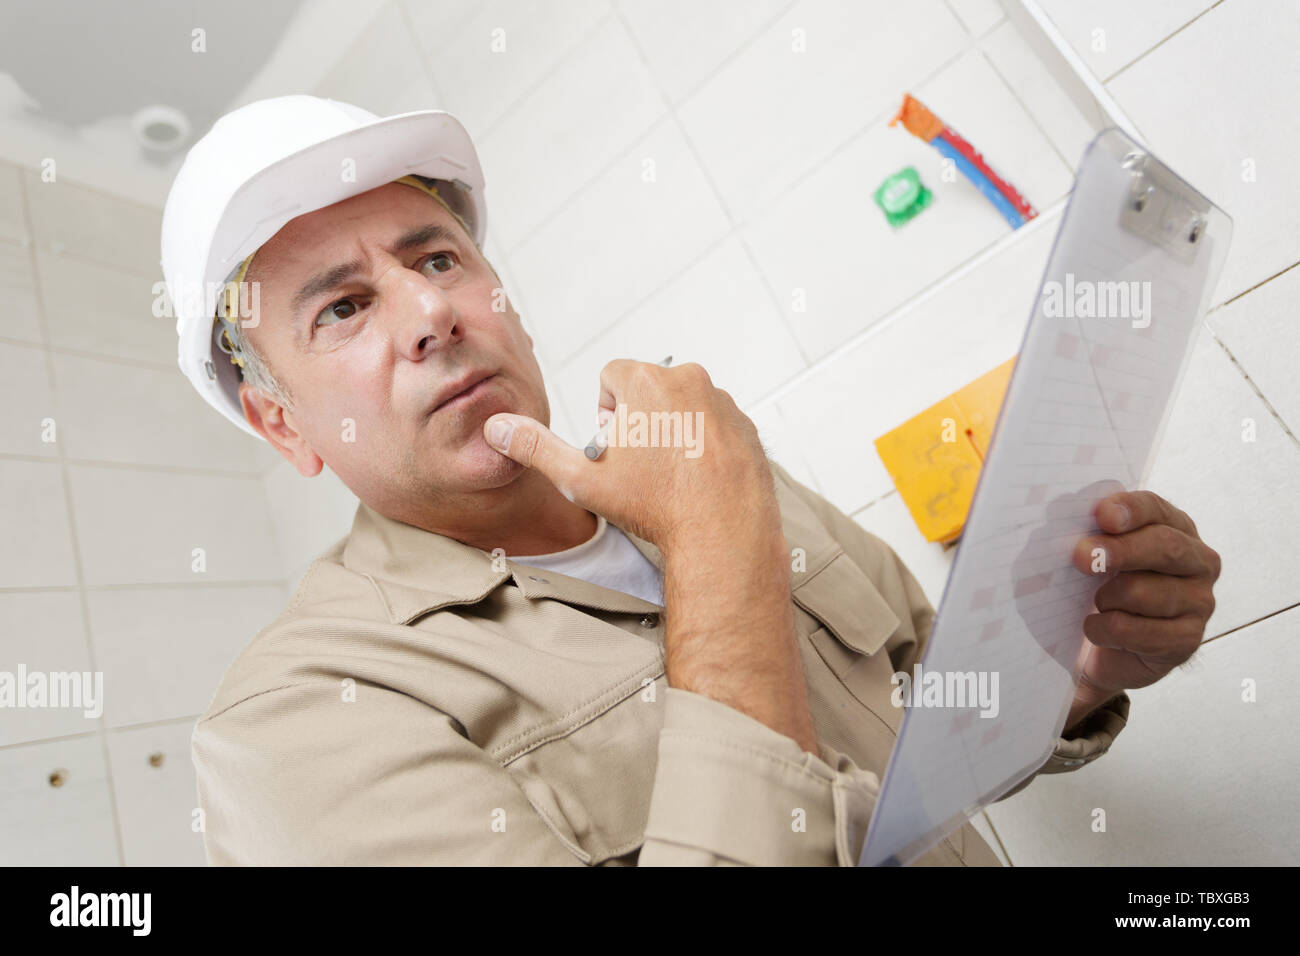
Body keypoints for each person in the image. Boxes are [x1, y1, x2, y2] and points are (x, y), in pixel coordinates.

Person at [163, 96, 1221, 866]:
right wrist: (718, 551)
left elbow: (937, 731)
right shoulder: (292, 725)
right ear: (280, 422)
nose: (429, 312)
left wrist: (1072, 672)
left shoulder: (721, 471)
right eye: (342, 306)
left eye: (437, 258)